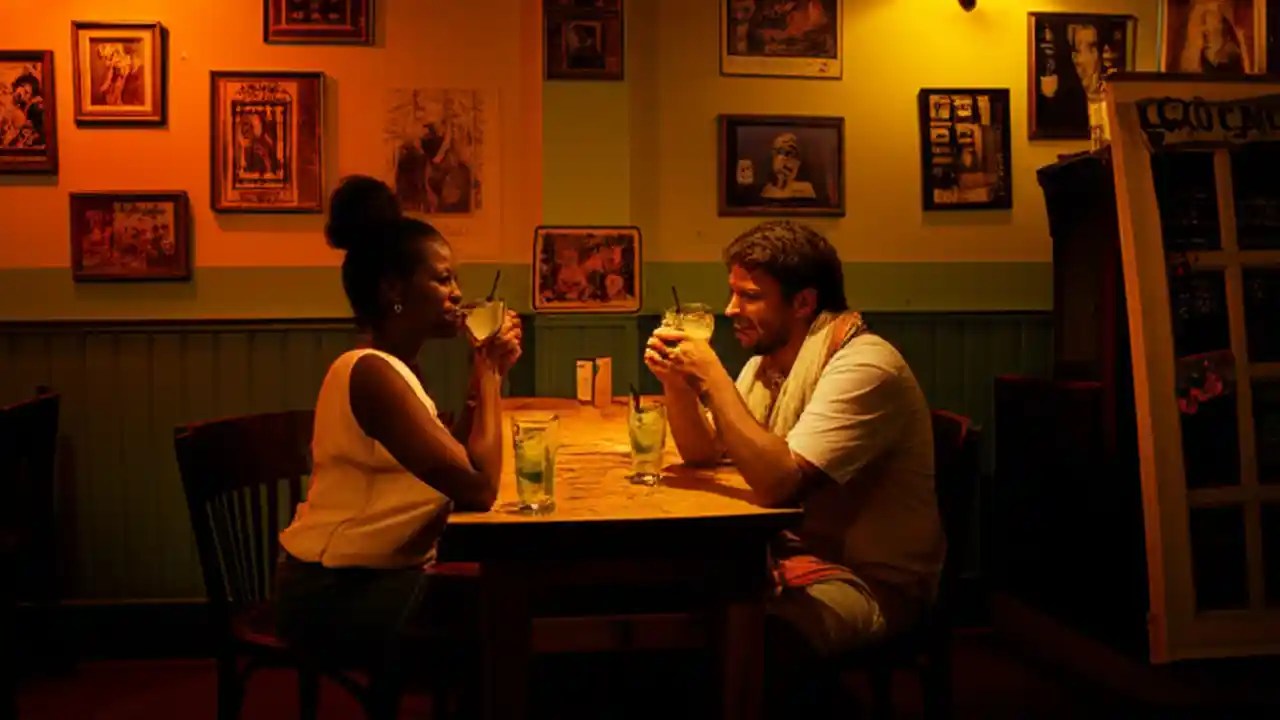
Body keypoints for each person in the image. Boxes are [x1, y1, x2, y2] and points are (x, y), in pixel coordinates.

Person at [643, 220, 944, 713]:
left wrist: (712, 376)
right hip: (787, 555)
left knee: (753, 635)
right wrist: (677, 384)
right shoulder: (768, 364)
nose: (730, 309)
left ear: (803, 302)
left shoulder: (864, 366)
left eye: (750, 296)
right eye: (733, 293)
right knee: (675, 606)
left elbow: (778, 484)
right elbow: (705, 454)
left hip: (871, 582)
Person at [274, 175, 521, 710]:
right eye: (443, 278)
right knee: (505, 614)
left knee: (505, 603)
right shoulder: (371, 374)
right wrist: (488, 372)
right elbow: (479, 488)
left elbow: (455, 464)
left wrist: (484, 374)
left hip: (372, 576)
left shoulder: (396, 369)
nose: (457, 294)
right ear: (393, 291)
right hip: (332, 591)